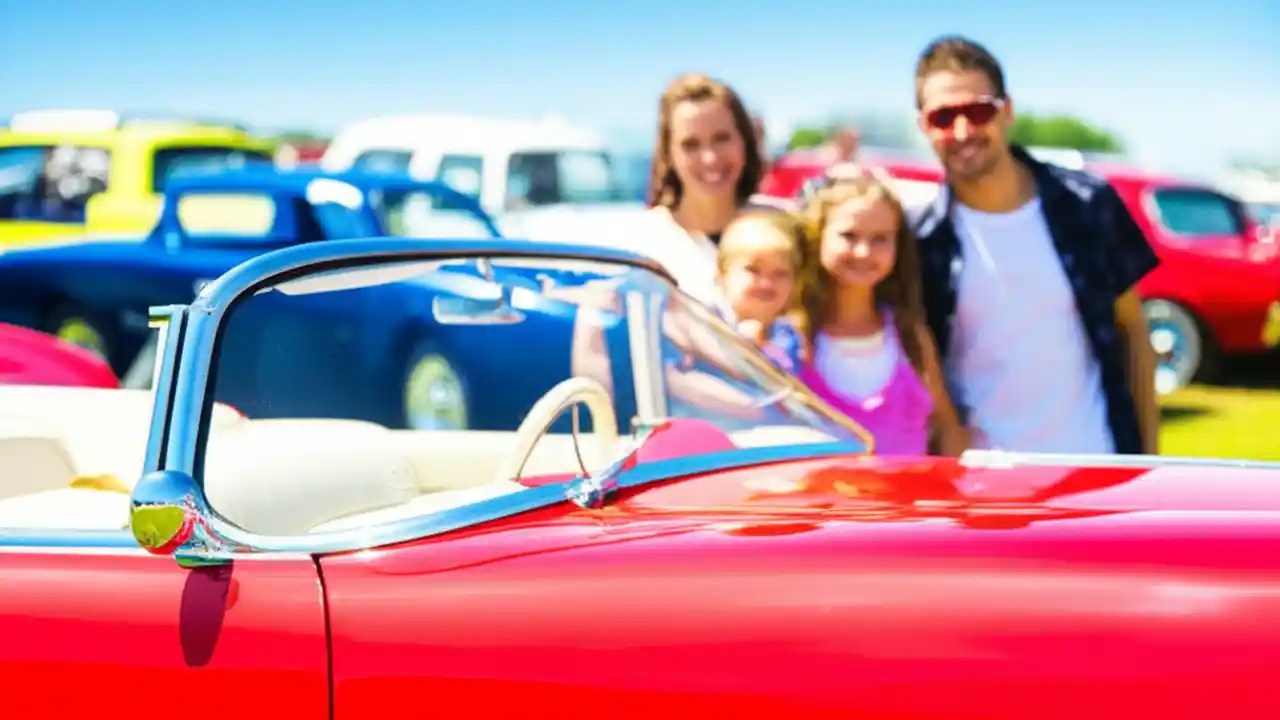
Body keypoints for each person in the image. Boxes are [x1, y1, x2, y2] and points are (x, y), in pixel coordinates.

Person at [910, 35, 1160, 455]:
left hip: (1094, 473)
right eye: (943, 116)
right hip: (984, 489)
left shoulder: (1087, 205)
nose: (962, 130)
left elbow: (1133, 331)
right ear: (923, 126)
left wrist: (1149, 461)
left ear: (1007, 111)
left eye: (978, 110)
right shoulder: (921, 240)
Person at [793, 173, 970, 457]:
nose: (864, 252)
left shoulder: (910, 335)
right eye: (849, 236)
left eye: (880, 239)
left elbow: (946, 429)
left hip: (905, 498)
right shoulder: (793, 335)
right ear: (818, 236)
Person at [642, 72, 765, 306]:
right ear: (669, 154)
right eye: (690, 144)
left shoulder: (786, 228)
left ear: (745, 141)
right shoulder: (641, 246)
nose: (710, 158)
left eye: (722, 138)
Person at [714, 209, 807, 372]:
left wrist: (761, 348)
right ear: (722, 275)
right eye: (753, 270)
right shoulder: (708, 322)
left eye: (781, 274)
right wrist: (742, 343)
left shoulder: (789, 336)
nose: (766, 283)